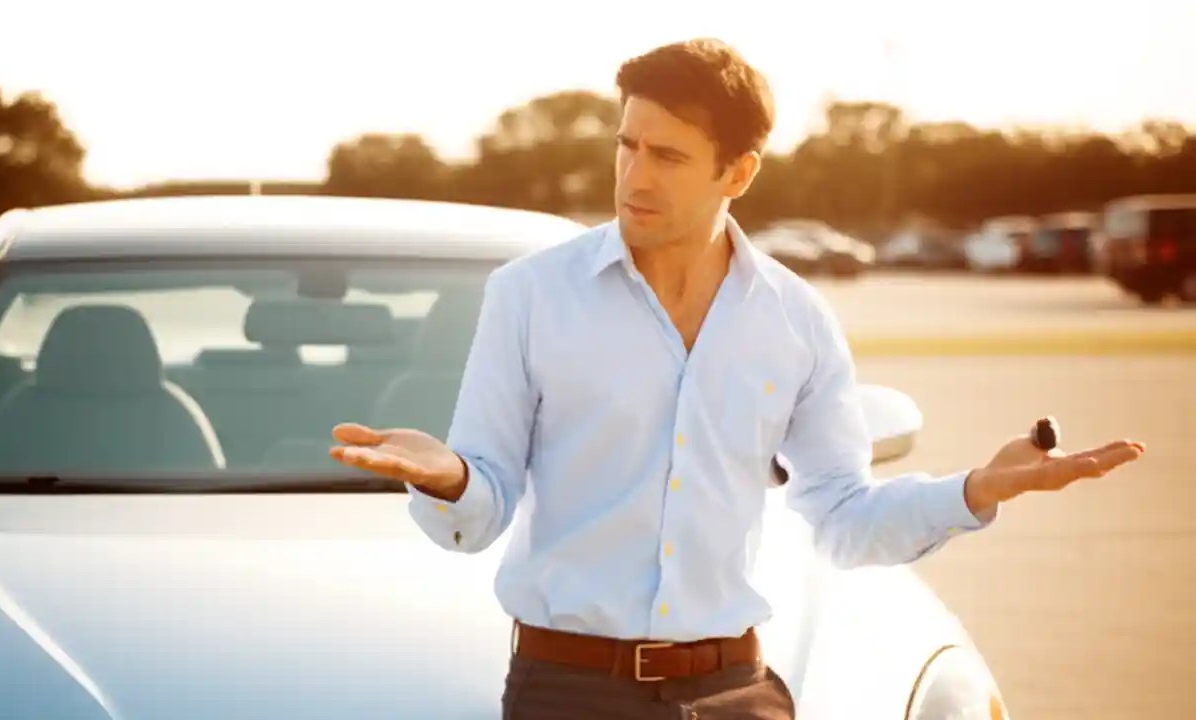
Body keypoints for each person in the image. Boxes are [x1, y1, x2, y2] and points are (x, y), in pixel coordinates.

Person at [330, 38, 1146, 719]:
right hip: (567, 693)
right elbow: (485, 505)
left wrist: (973, 489)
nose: (636, 176)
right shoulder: (529, 297)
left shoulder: (796, 319)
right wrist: (450, 478)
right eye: (627, 146)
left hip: (735, 692)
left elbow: (842, 517)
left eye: (669, 156)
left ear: (739, 173)